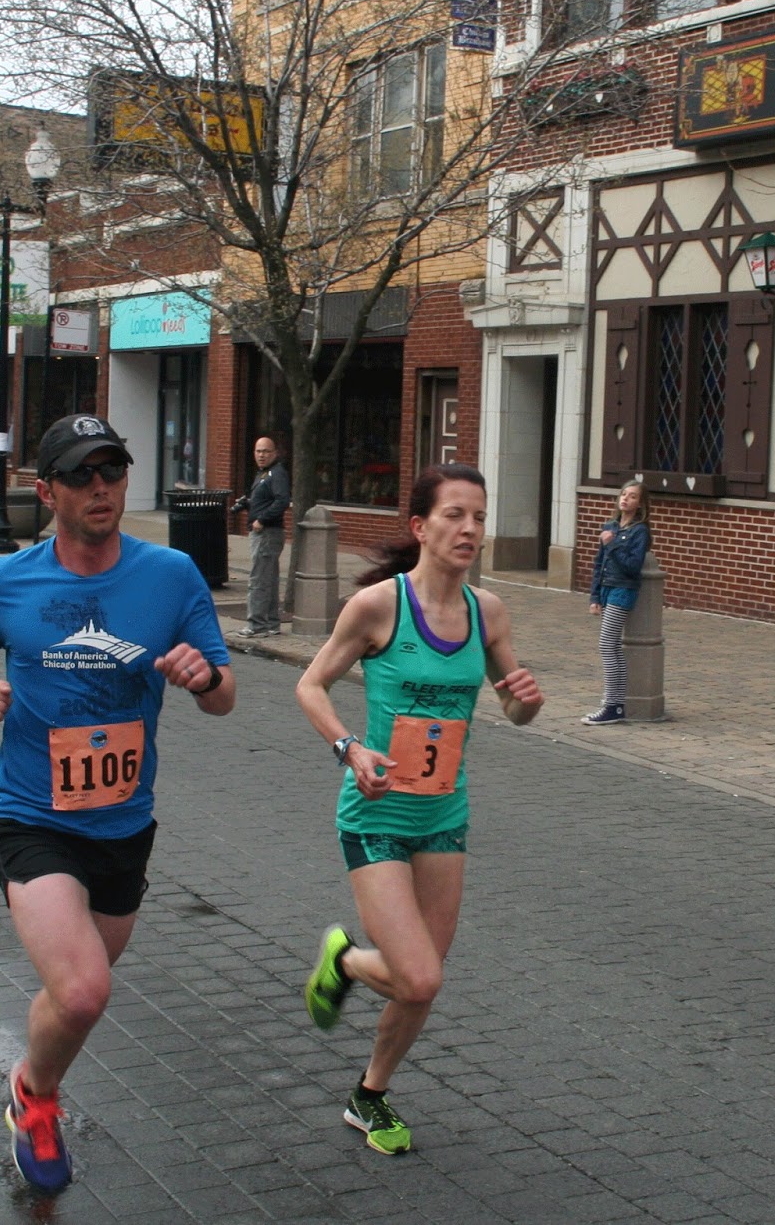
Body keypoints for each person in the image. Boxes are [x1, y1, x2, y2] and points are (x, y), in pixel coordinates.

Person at [0, 413, 236, 1194]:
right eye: (80, 475)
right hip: (32, 815)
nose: (100, 487)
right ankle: (36, 1102)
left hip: (125, 823)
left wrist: (203, 678)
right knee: (83, 990)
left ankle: (30, 1078)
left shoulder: (171, 575)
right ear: (47, 491)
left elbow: (224, 692)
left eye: (111, 471)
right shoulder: (4, 581)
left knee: (76, 992)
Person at [294, 463, 543, 1156]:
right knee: (419, 974)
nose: (469, 529)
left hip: (444, 815)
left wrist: (525, 698)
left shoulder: (488, 612)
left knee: (422, 983)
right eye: (455, 515)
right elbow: (311, 685)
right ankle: (341, 964)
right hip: (375, 813)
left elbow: (515, 709)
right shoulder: (378, 607)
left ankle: (368, 1096)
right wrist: (349, 748)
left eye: (479, 517)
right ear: (420, 526)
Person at [584, 480, 651, 725]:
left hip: (623, 590)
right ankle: (615, 704)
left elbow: (632, 567)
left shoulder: (639, 531)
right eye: (623, 494)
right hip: (607, 589)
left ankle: (613, 705)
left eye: (632, 496)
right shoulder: (610, 526)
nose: (625, 499)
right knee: (611, 647)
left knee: (606, 644)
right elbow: (598, 565)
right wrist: (594, 596)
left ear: (641, 504)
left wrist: (611, 544)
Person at [232, 435, 291, 637]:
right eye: (258, 451)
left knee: (258, 579)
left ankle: (256, 625)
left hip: (267, 533)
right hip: (265, 532)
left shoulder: (277, 474)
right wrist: (248, 504)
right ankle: (272, 622)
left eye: (266, 451)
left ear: (274, 453)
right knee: (270, 579)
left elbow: (282, 500)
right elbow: (268, 500)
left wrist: (262, 519)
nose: (261, 455)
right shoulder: (264, 474)